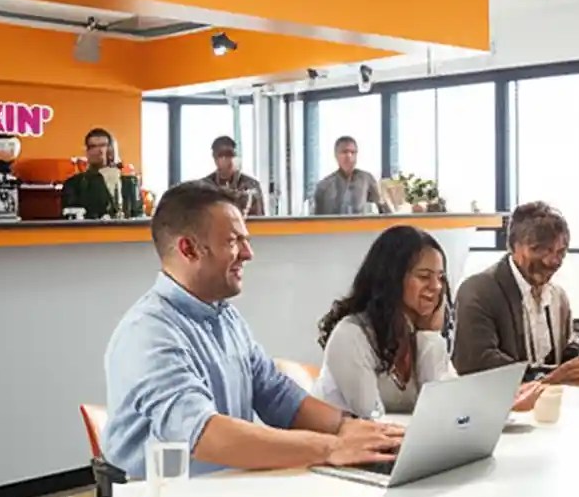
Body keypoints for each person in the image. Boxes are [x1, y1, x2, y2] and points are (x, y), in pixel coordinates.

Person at [102, 182, 403, 478]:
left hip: (229, 490)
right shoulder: (148, 333)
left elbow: (275, 393)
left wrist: (348, 427)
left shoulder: (225, 316)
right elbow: (205, 435)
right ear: (188, 249)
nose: (248, 253)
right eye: (233, 241)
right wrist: (331, 447)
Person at [314, 225, 545, 418]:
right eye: (424, 276)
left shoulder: (417, 336)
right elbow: (371, 419)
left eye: (440, 277)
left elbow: (444, 407)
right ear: (390, 278)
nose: (436, 287)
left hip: (392, 454)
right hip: (330, 463)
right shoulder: (352, 336)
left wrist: (429, 336)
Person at [452, 202, 579, 384]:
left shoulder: (558, 297)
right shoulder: (477, 291)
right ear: (513, 246)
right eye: (539, 250)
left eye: (561, 252)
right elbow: (477, 364)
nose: (552, 261)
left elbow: (563, 351)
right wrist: (548, 379)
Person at [61, 127, 144, 220]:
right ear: (87, 151)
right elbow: (71, 219)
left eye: (103, 145)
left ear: (112, 149)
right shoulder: (74, 184)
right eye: (93, 146)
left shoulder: (131, 182)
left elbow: (138, 215)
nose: (99, 151)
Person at [312, 135, 387, 215]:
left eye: (353, 152)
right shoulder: (324, 185)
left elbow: (382, 209)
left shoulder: (366, 180)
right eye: (344, 152)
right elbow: (316, 219)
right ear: (336, 155)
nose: (349, 156)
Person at [198, 135, 264, 216]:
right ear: (215, 159)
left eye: (229, 155)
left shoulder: (251, 185)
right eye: (221, 156)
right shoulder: (204, 186)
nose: (225, 160)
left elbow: (259, 219)